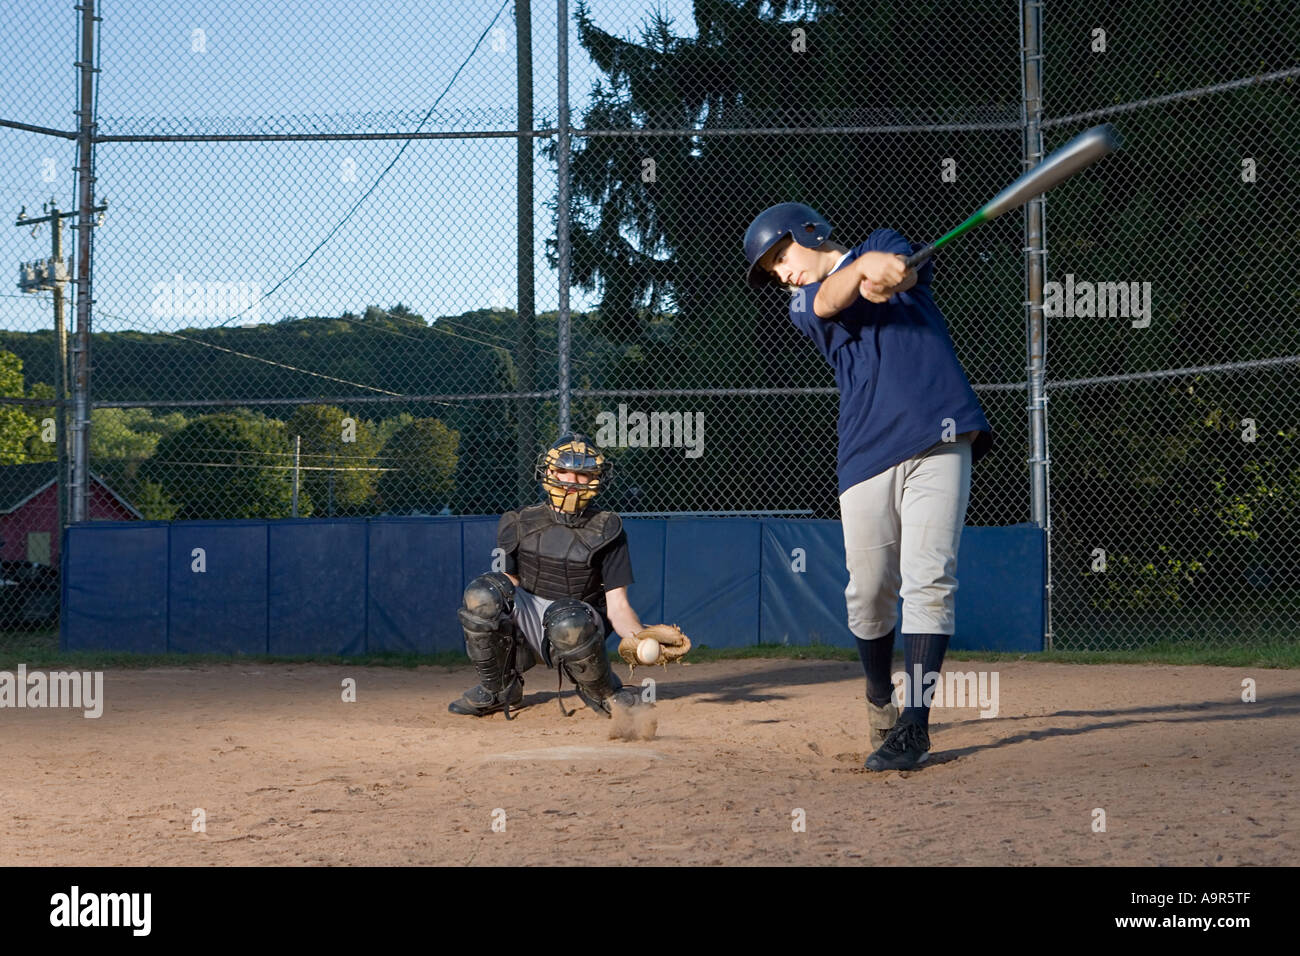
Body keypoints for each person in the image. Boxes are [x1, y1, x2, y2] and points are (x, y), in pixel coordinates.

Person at [743, 202, 994, 771]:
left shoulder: (882, 238)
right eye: (773, 269)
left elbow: (897, 267)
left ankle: (915, 726)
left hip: (940, 432)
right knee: (869, 592)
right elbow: (833, 299)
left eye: (783, 255)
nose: (783, 271)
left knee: (929, 578)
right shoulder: (803, 305)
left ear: (809, 232)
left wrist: (886, 269)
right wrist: (860, 274)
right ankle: (880, 700)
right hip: (865, 455)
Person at [448, 433, 649, 719]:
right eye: (563, 471)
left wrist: (641, 639)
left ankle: (603, 691)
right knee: (483, 593)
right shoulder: (518, 522)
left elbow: (618, 606)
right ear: (548, 472)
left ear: (596, 479)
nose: (570, 481)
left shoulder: (608, 530)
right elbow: (508, 587)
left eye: (582, 474)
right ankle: (499, 688)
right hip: (532, 620)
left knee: (565, 616)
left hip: (577, 623)